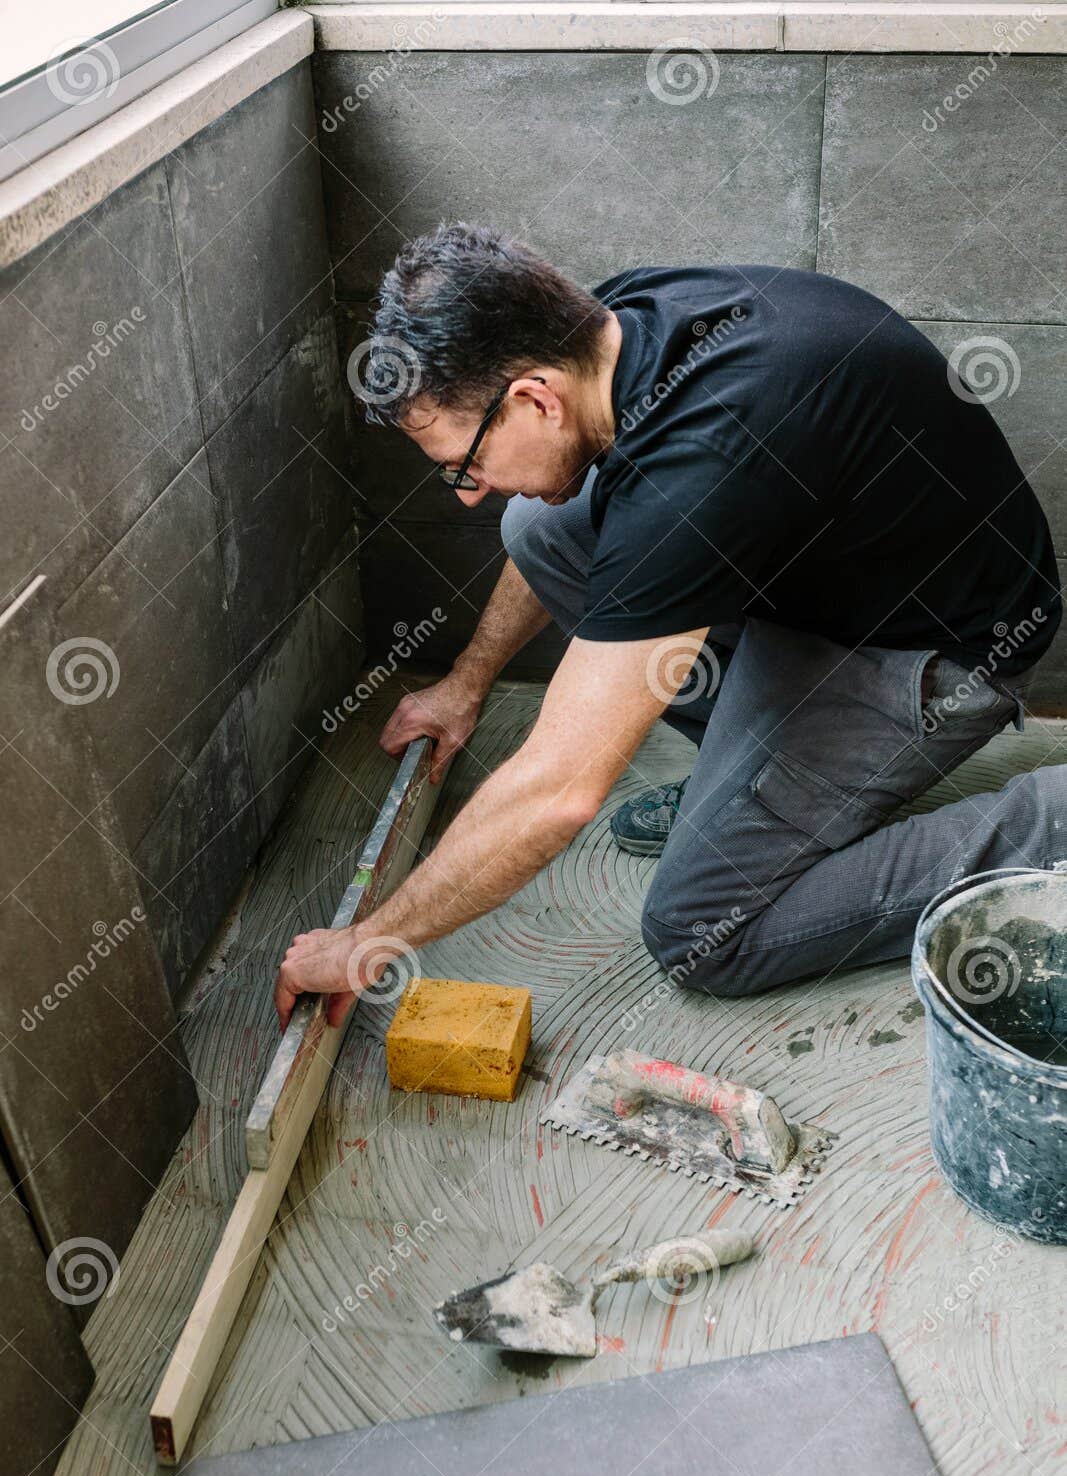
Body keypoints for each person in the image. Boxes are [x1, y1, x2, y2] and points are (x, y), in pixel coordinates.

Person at [274, 223, 1062, 1031]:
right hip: (829, 575)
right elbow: (590, 521)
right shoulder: (616, 321)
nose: (468, 491)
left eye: (464, 464)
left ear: (534, 398)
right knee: (541, 529)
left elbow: (557, 793)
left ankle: (1048, 819)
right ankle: (751, 778)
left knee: (703, 935)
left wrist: (368, 942)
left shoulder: (697, 476)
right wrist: (464, 686)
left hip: (933, 657)